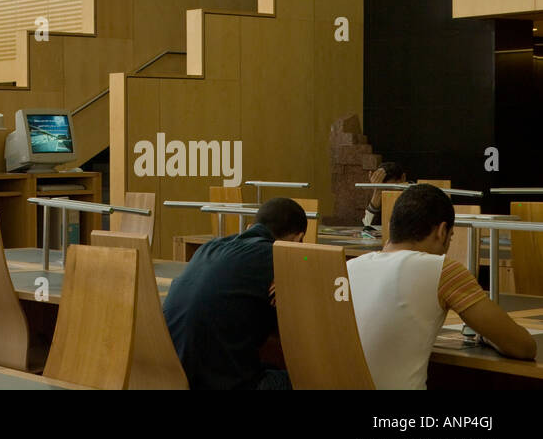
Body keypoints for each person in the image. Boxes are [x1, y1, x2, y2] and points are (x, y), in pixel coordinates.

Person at [348, 183, 536, 389]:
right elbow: (524, 347)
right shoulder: (442, 270)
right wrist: (490, 337)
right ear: (442, 231)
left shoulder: (348, 268)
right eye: (451, 237)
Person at [163, 197, 308, 390]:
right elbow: (301, 325)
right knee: (312, 380)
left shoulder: (209, 248)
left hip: (172, 376)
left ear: (250, 226)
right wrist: (298, 264)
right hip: (218, 382)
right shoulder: (275, 257)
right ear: (298, 239)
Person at [362, 160, 406, 234]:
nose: (388, 194)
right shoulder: (380, 196)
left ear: (403, 178)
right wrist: (377, 191)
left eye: (392, 188)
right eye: (384, 190)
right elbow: (367, 227)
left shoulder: (413, 195)